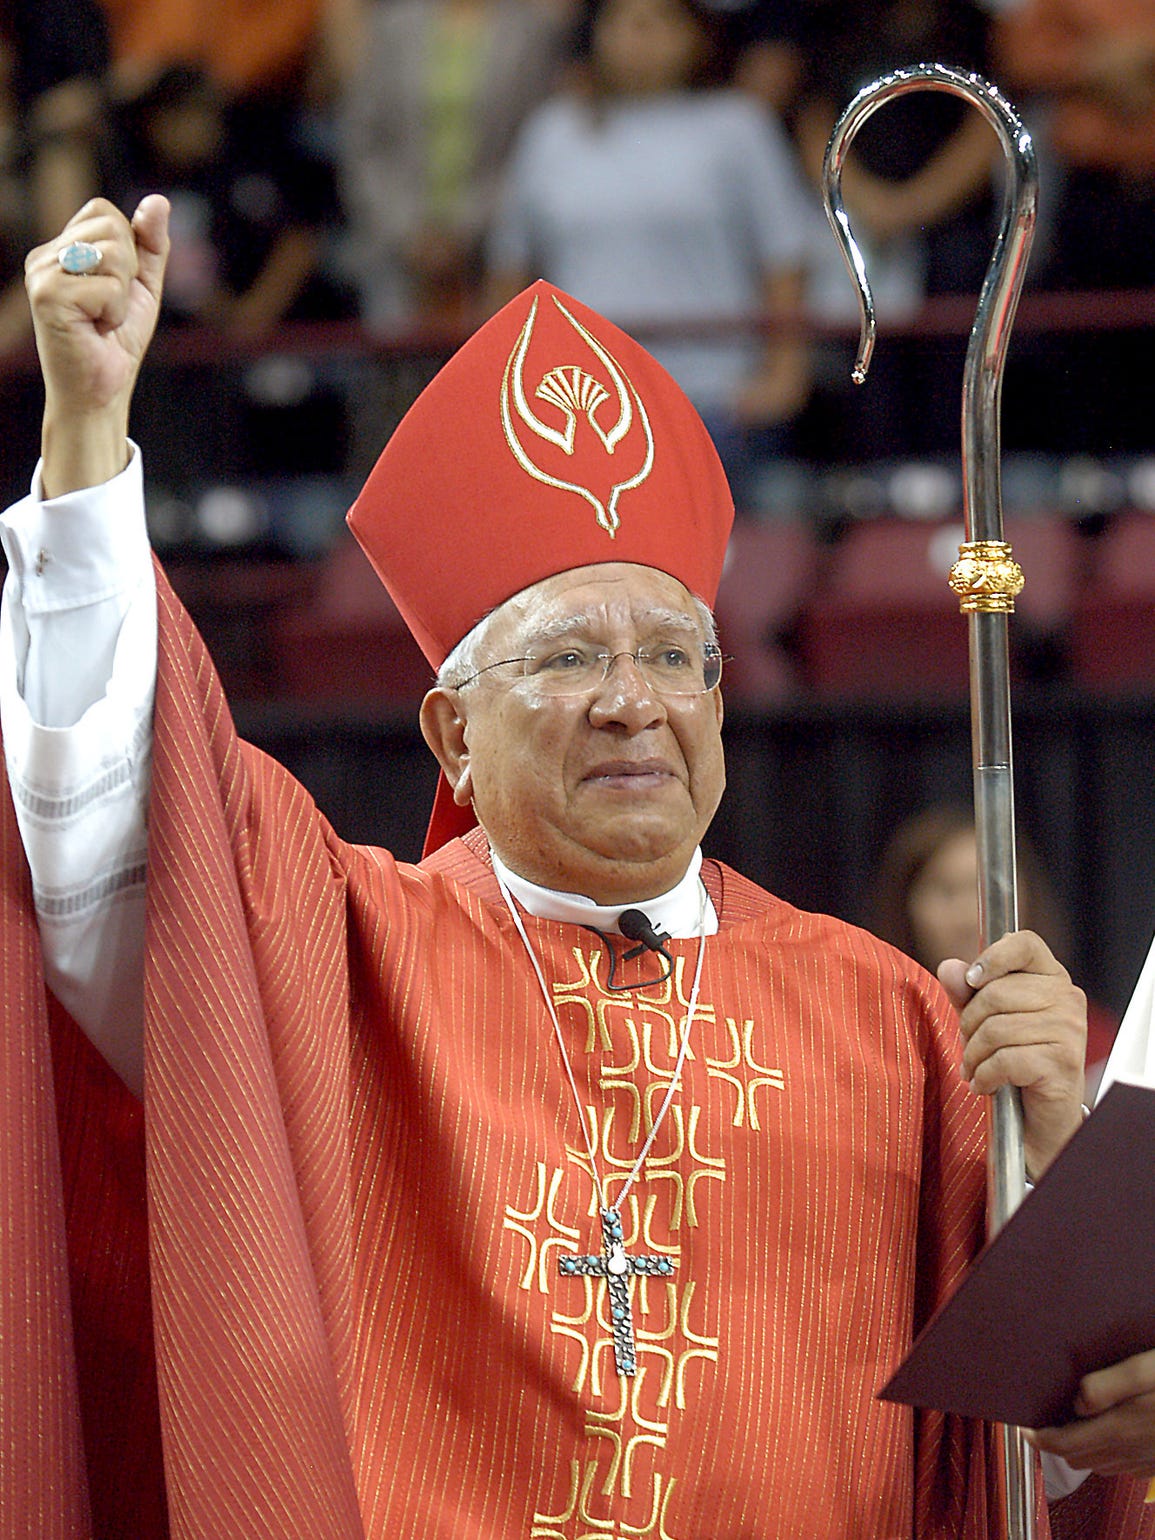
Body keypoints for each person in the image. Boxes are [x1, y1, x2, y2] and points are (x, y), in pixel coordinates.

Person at [1, 193, 1151, 1538]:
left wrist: (1057, 1166)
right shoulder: (338, 952)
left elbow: (1038, 1448)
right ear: (451, 735)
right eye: (566, 658)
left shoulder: (891, 1022)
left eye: (672, 656)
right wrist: (86, 449)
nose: (631, 700)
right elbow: (121, 827)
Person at [484, 0, 820, 507]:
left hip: (715, 403)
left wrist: (784, 376)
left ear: (695, 36)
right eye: (620, 21)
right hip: (579, 419)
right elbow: (510, 268)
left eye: (658, 21)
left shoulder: (737, 125)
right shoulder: (551, 132)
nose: (637, 37)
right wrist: (500, 392)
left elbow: (784, 254)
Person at [866, 804, 1119, 1092]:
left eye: (985, 891)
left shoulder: (1080, 1030)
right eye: (946, 891)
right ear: (907, 906)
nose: (968, 916)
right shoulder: (874, 1032)